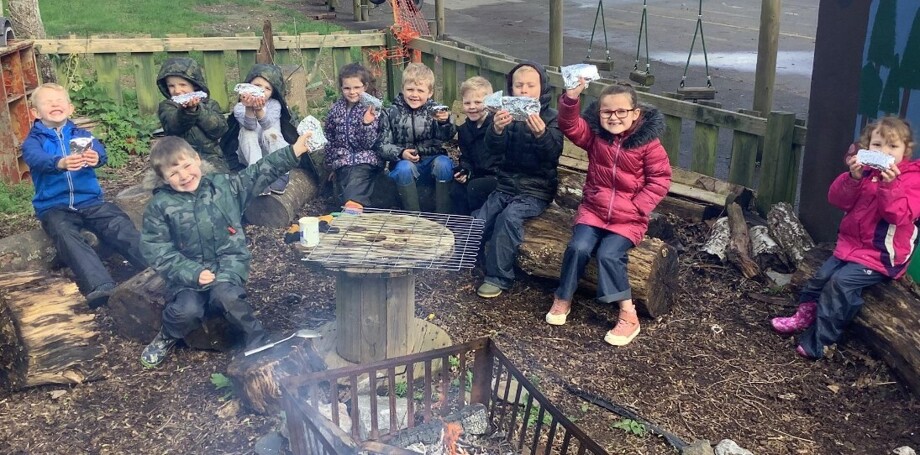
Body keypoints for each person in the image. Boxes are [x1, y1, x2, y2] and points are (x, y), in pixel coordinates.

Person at [138, 132, 314, 368]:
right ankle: (167, 335)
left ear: (197, 159)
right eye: (173, 173)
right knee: (186, 310)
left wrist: (293, 151)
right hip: (186, 276)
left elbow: (258, 172)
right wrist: (192, 273)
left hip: (227, 264)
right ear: (162, 178)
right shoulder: (160, 206)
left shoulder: (225, 188)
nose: (184, 175)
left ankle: (257, 338)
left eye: (187, 165)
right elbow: (156, 249)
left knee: (227, 297)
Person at [771, 116, 920, 359]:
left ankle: (821, 341)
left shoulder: (912, 180)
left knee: (840, 284)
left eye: (893, 147)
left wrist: (889, 186)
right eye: (877, 145)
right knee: (820, 277)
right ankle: (804, 316)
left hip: (882, 256)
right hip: (851, 247)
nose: (884, 152)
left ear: (906, 151)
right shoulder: (865, 172)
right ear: (867, 147)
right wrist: (852, 178)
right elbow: (838, 200)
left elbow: (897, 216)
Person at [546, 80, 671, 347]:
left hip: (628, 218)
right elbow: (570, 126)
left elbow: (660, 180)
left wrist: (637, 206)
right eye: (607, 112)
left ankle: (628, 313)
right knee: (578, 247)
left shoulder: (648, 144)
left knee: (608, 254)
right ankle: (563, 296)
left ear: (635, 113)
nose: (614, 117)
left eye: (621, 111)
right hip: (594, 210)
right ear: (599, 113)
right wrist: (570, 99)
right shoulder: (596, 137)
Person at [21, 83, 147, 308]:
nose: (54, 105)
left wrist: (95, 158)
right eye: (48, 102)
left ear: (70, 109)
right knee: (64, 233)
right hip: (54, 206)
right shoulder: (34, 140)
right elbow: (35, 158)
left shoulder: (81, 134)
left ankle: (153, 265)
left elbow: (100, 150)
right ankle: (100, 285)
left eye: (59, 101)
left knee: (118, 221)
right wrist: (59, 162)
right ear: (35, 113)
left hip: (90, 201)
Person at [474, 62, 564, 298]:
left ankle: (498, 277)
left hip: (536, 190)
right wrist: (496, 130)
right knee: (481, 216)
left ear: (542, 88)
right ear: (511, 89)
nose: (524, 91)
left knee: (508, 218)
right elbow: (492, 150)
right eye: (518, 85)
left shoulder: (552, 117)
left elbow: (553, 154)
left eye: (530, 86)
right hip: (505, 184)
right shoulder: (506, 114)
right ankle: (469, 258)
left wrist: (541, 134)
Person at [377, 63, 456, 212]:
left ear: (430, 92)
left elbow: (447, 137)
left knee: (444, 164)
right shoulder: (390, 112)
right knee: (404, 168)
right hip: (403, 165)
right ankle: (413, 216)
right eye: (410, 89)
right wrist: (401, 153)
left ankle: (444, 215)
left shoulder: (436, 111)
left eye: (420, 90)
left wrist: (445, 122)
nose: (415, 94)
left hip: (431, 161)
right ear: (403, 89)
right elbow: (382, 145)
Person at [222, 64, 300, 195]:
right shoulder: (239, 107)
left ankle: (281, 173)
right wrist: (249, 108)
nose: (262, 90)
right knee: (246, 132)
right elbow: (250, 126)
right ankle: (257, 177)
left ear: (273, 92)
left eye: (267, 88)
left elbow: (267, 125)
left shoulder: (275, 105)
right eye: (257, 86)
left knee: (270, 133)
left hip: (270, 151)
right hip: (250, 154)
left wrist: (259, 110)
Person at [156, 57, 229, 172]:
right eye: (171, 86)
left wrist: (198, 110)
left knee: (219, 183)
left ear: (195, 85)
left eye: (183, 85)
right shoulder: (167, 106)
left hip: (211, 157)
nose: (177, 90)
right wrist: (187, 112)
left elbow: (220, 130)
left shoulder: (210, 104)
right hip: (180, 158)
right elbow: (173, 127)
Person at [323, 63, 381, 208]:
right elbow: (330, 138)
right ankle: (354, 207)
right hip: (343, 160)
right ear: (341, 88)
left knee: (357, 179)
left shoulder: (370, 108)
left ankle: (353, 209)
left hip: (366, 159)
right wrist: (331, 166)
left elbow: (369, 143)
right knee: (344, 186)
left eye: (356, 87)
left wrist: (367, 123)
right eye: (347, 88)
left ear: (365, 87)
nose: (352, 92)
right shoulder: (336, 110)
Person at [452, 76, 501, 215]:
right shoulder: (464, 130)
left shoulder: (495, 126)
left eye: (478, 102)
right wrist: (464, 171)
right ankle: (459, 225)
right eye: (467, 103)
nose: (472, 107)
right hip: (476, 174)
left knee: (475, 187)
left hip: (496, 176)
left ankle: (478, 227)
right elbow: (466, 157)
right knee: (457, 188)